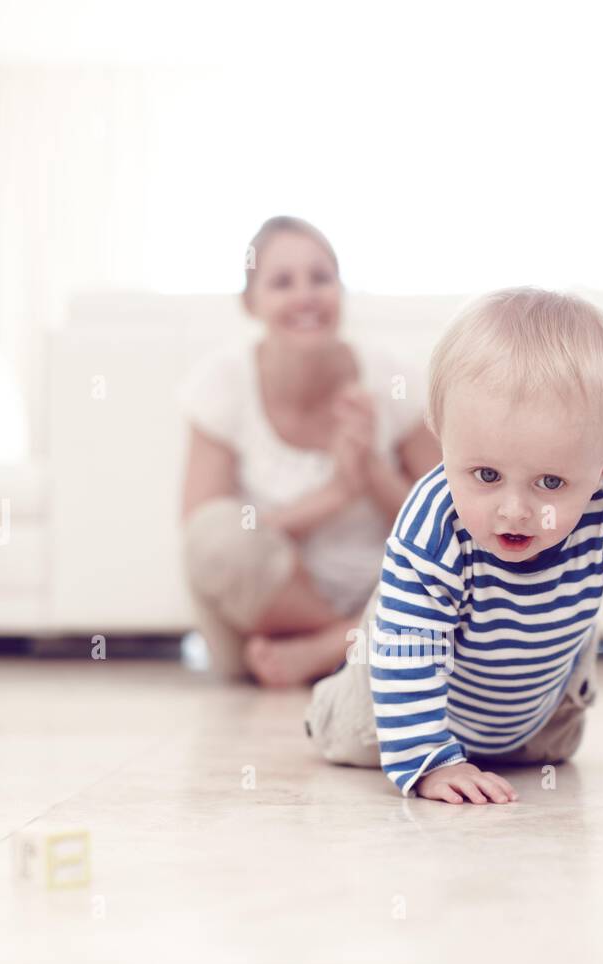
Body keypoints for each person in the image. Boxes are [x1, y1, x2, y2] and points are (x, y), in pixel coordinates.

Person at [304, 287, 603, 801]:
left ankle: (497, 740)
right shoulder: (436, 523)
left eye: (551, 483)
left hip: (534, 721)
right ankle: (338, 692)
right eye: (487, 474)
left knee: (549, 754)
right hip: (399, 700)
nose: (515, 509)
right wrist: (429, 762)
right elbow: (410, 643)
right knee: (361, 714)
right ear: (441, 438)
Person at [179, 216, 440, 686]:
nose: (306, 296)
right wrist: (335, 494)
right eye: (282, 282)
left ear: (341, 290)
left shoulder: (391, 379)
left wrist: (373, 470)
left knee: (475, 564)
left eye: (321, 278)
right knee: (214, 533)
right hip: (265, 623)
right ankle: (353, 645)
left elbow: (448, 524)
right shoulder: (222, 383)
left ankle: (333, 651)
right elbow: (205, 539)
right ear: (250, 302)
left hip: (380, 594)